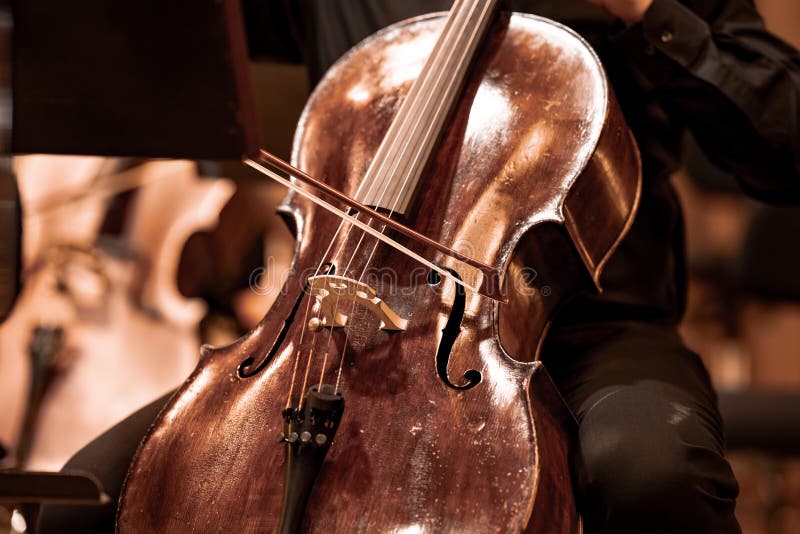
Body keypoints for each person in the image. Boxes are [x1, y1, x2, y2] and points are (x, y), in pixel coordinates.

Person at [37, 0, 800, 532]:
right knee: (82, 500)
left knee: (653, 480)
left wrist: (649, 13)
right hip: (327, 326)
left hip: (585, 325)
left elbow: (783, 137)